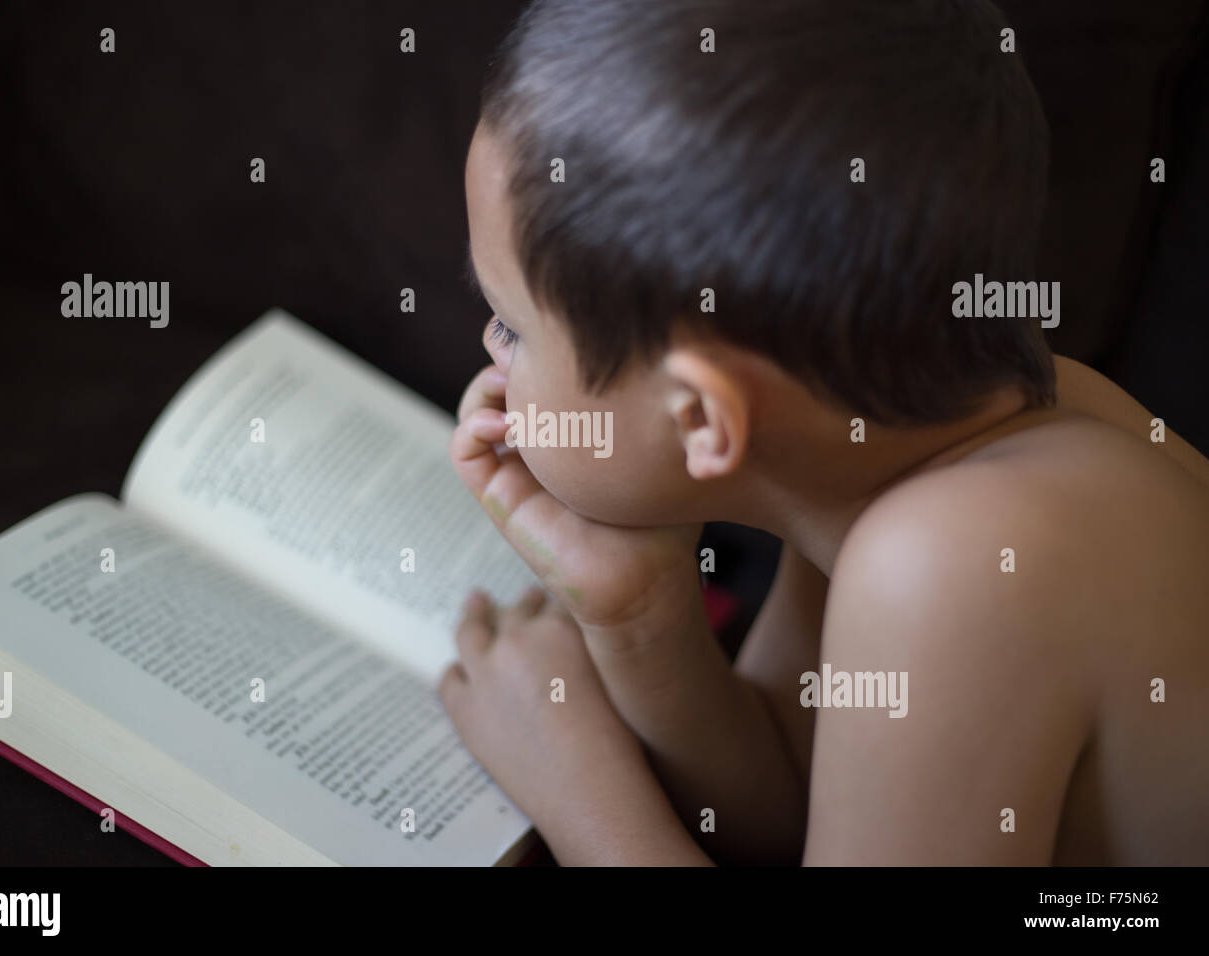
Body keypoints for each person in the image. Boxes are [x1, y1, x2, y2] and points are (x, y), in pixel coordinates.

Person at [436, 0, 1209, 865]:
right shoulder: (885, 447)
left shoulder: (957, 561)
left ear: (701, 418)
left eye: (511, 326)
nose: (490, 353)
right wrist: (640, 617)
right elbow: (789, 815)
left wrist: (576, 791)